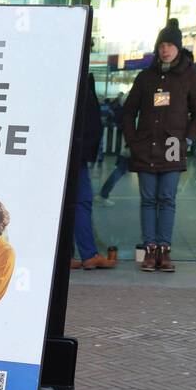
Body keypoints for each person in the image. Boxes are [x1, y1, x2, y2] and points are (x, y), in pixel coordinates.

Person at [120, 18, 196, 273]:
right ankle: (150, 250)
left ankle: (164, 251)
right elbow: (127, 113)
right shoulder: (145, 77)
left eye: (170, 44)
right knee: (148, 200)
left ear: (178, 48)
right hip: (146, 147)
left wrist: (187, 140)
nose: (165, 49)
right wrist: (134, 141)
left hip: (172, 147)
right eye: (161, 45)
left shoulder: (189, 77)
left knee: (167, 199)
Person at [72, 73, 117, 270]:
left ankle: (74, 253)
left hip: (71, 152)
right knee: (81, 202)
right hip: (74, 153)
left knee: (73, 204)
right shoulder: (77, 78)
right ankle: (88, 254)